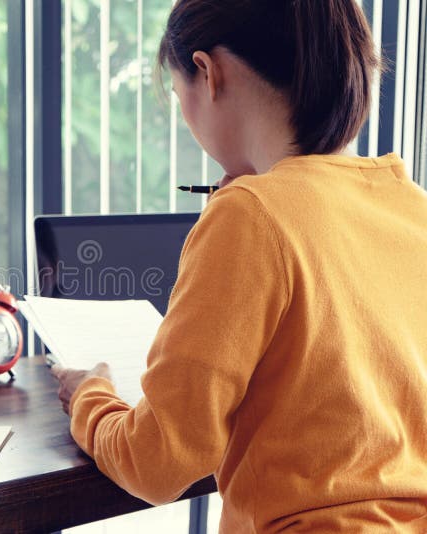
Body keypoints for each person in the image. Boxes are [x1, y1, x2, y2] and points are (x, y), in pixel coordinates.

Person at [50, 0, 427, 531]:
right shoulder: (411, 204)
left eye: (179, 95)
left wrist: (89, 396)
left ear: (209, 73)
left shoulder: (250, 214)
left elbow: (157, 462)